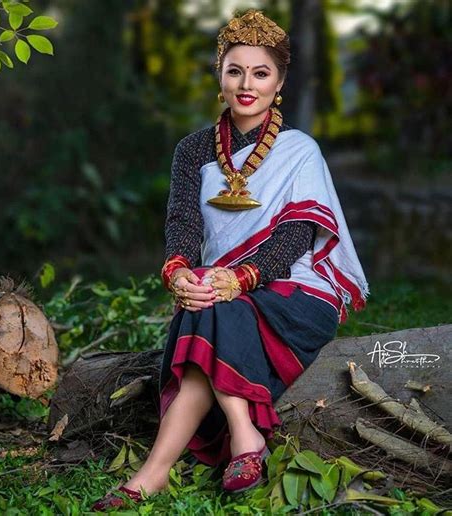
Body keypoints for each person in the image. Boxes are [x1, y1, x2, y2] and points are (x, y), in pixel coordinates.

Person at [92, 8, 369, 511]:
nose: (247, 84)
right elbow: (182, 224)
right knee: (210, 304)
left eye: (261, 73)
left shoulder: (298, 150)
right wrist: (177, 272)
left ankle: (159, 471)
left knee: (215, 307)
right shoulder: (193, 149)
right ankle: (237, 442)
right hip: (220, 290)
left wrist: (239, 278)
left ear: (279, 81)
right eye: (235, 70)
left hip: (297, 289)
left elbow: (297, 235)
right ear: (219, 75)